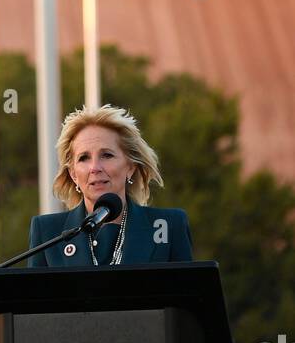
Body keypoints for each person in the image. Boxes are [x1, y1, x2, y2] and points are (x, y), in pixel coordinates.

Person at [26, 104, 193, 267]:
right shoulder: (47, 233)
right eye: (84, 158)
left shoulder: (169, 225)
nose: (95, 168)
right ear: (73, 174)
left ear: (130, 167)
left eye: (107, 155)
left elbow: (191, 293)